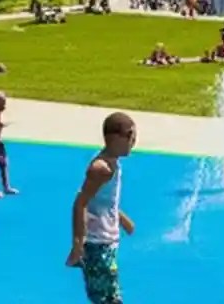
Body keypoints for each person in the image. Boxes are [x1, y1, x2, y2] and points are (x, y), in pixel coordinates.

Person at [67, 112, 137, 304]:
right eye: (131, 136)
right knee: (110, 299)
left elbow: (104, 200)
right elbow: (81, 202)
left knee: (107, 298)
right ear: (116, 137)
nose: (134, 141)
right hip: (97, 244)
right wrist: (78, 244)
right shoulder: (101, 169)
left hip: (107, 242)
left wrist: (123, 220)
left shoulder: (114, 164)